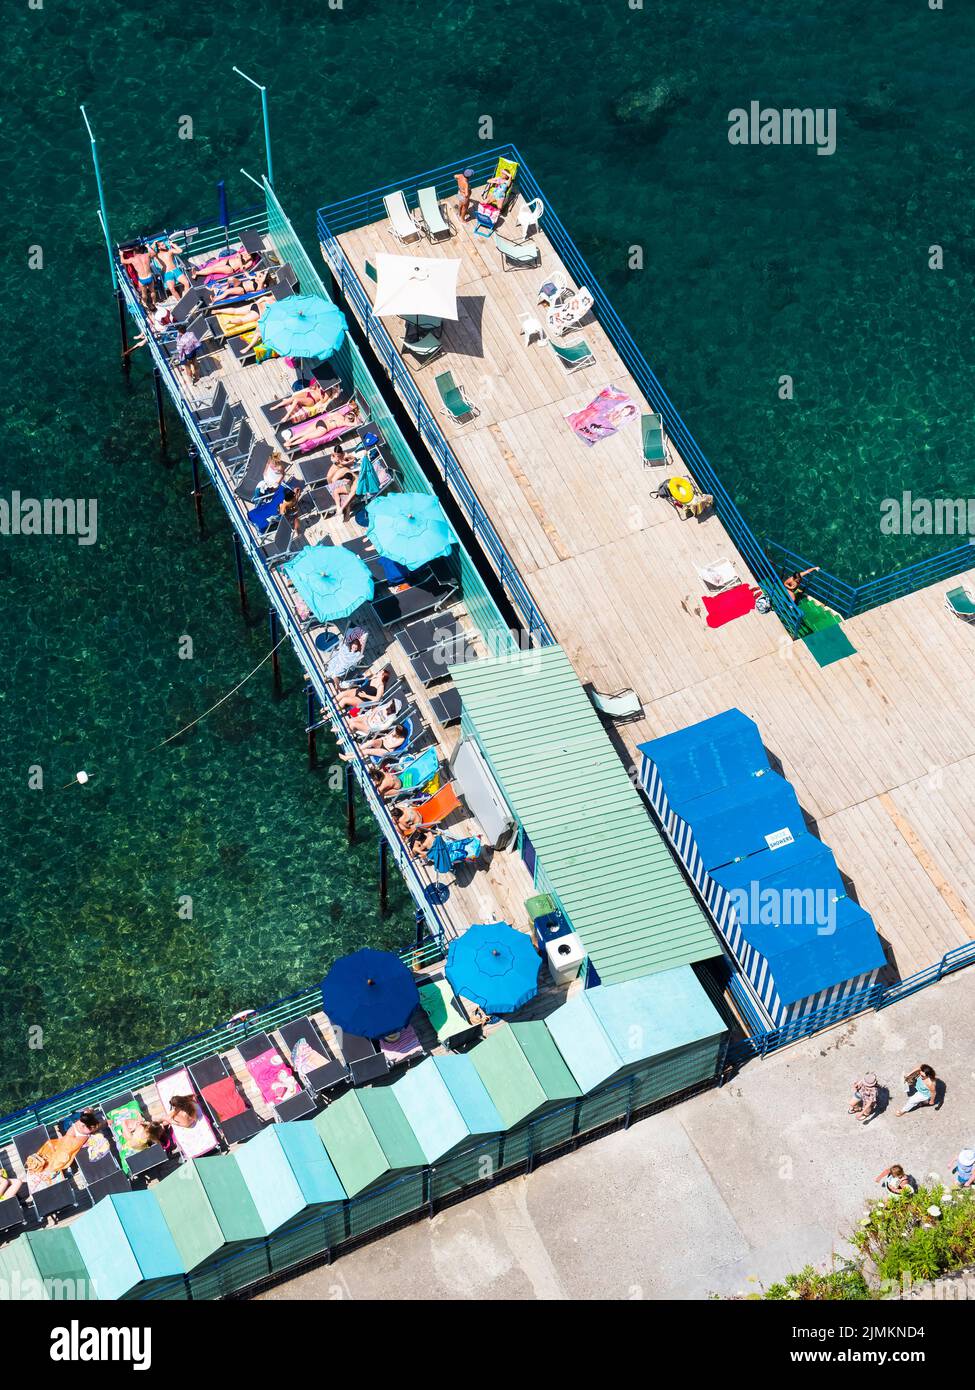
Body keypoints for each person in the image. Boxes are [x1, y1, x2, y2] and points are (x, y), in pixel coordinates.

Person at [24, 1109, 104, 1185]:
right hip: (66, 1150)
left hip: (64, 1146)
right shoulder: (86, 1129)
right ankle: (63, 1169)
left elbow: (89, 1114)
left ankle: (62, 1169)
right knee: (57, 1163)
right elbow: (98, 1125)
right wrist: (105, 1122)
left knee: (55, 1161)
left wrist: (90, 1111)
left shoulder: (83, 1121)